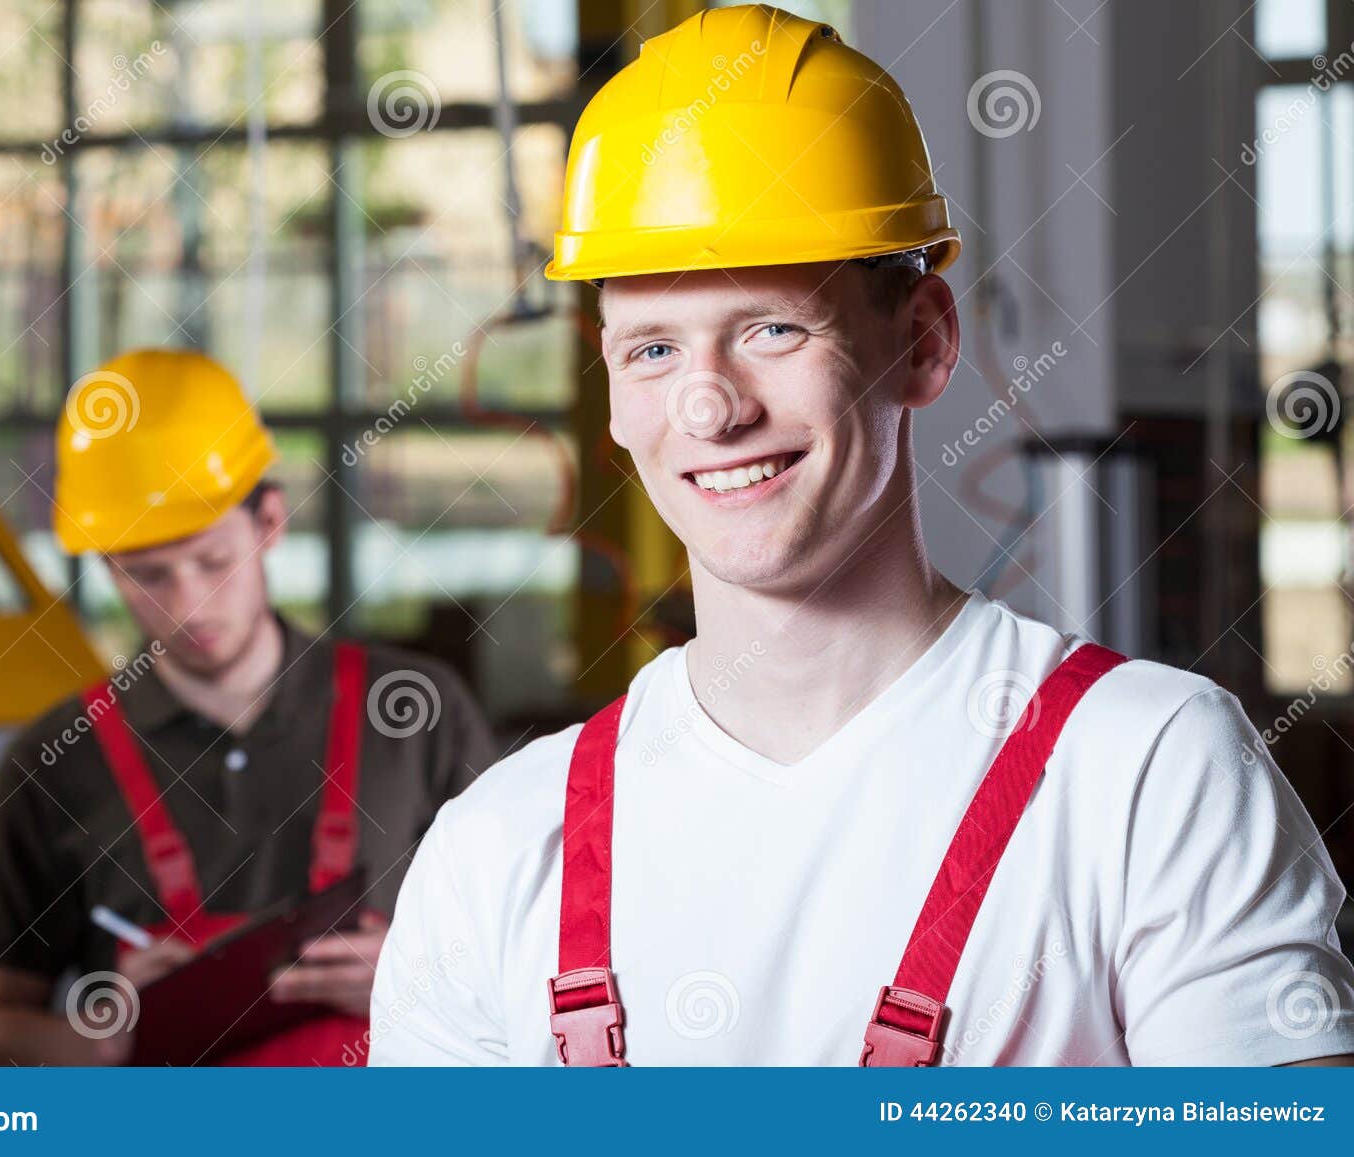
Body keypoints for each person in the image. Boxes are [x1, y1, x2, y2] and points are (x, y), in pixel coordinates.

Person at [368, 5, 1354, 1066]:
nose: (708, 408)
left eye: (772, 328)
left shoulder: (1148, 774)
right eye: (652, 349)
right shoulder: (498, 849)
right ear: (607, 390)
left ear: (924, 344)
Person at [0, 349, 495, 1066]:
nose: (187, 603)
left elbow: (542, 953)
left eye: (211, 561)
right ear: (107, 564)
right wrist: (100, 1034)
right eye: (146, 575)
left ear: (269, 520)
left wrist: (418, 982)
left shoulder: (418, 713)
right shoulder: (55, 760)